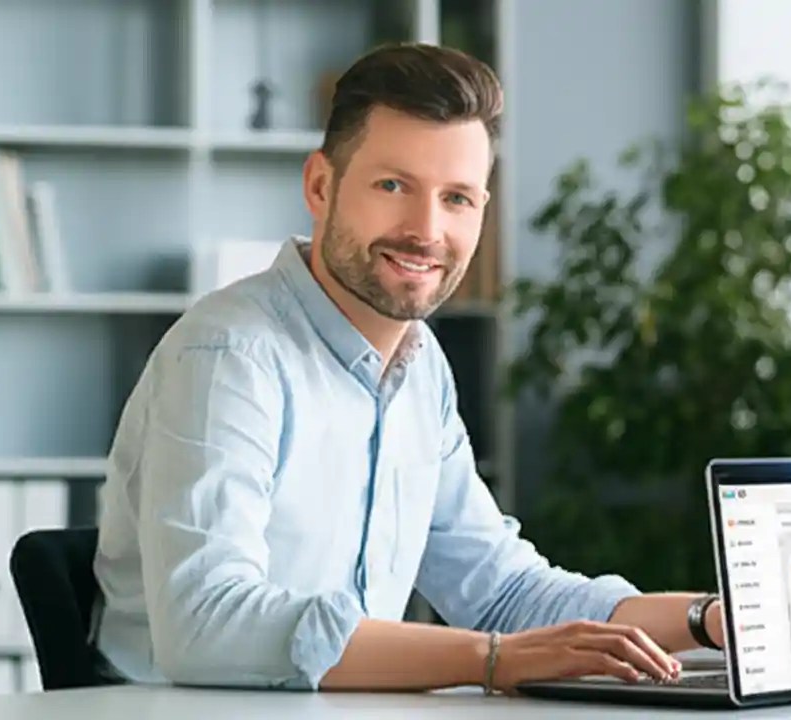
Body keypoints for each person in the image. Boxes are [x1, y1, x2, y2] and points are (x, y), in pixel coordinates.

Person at [90, 42, 725, 695]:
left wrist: (713, 619)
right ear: (320, 186)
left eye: (457, 199)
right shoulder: (231, 355)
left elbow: (503, 592)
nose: (426, 230)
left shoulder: (418, 369)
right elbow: (205, 625)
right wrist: (492, 660)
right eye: (393, 186)